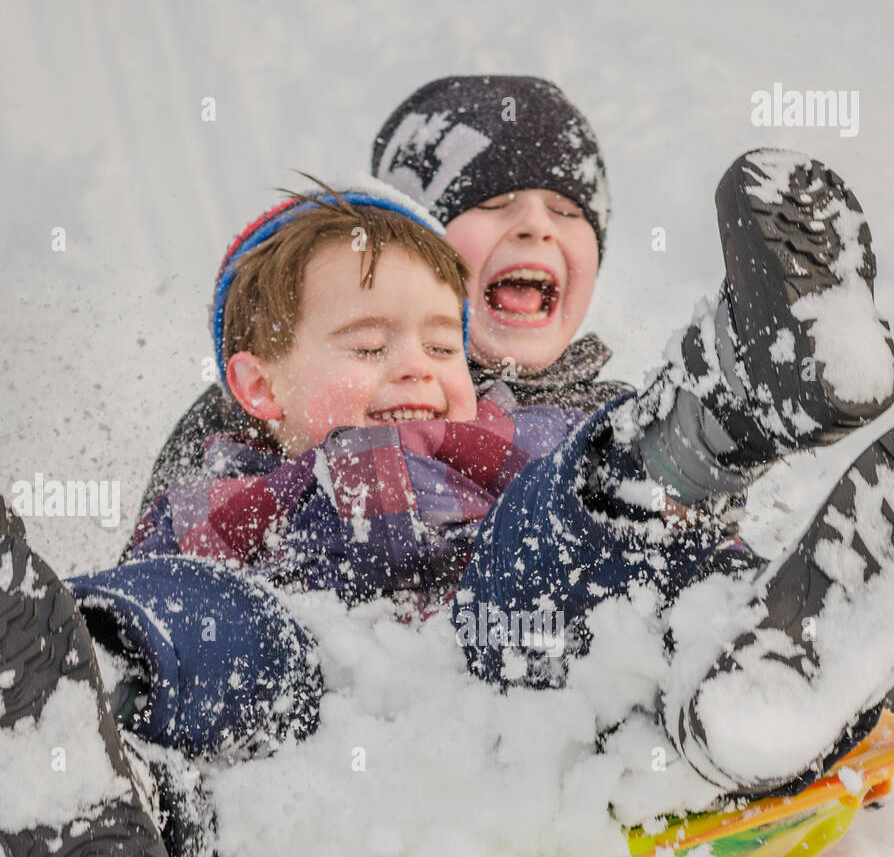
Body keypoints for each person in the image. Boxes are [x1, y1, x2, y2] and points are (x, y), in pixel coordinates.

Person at [0, 156, 894, 857]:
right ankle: (82, 777)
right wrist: (126, 636)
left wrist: (855, 680)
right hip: (313, 731)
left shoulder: (507, 443)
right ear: (259, 386)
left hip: (505, 691)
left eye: (443, 345)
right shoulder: (229, 494)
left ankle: (738, 468)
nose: (416, 367)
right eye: (368, 345)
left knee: (567, 528)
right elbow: (169, 607)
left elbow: (616, 547)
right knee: (212, 622)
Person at [129, 76, 628, 530]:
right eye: (493, 204)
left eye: (568, 211)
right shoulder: (252, 413)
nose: (537, 227)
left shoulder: (612, 425)